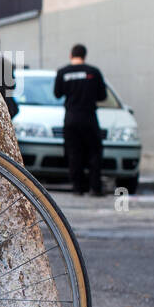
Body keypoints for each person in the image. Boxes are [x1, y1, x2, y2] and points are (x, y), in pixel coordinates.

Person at [54, 44, 107, 196]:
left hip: (71, 118)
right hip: (89, 117)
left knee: (73, 152)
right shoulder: (93, 72)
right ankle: (95, 188)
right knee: (94, 152)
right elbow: (102, 96)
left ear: (71, 55)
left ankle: (78, 188)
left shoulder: (63, 72)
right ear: (85, 55)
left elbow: (57, 93)